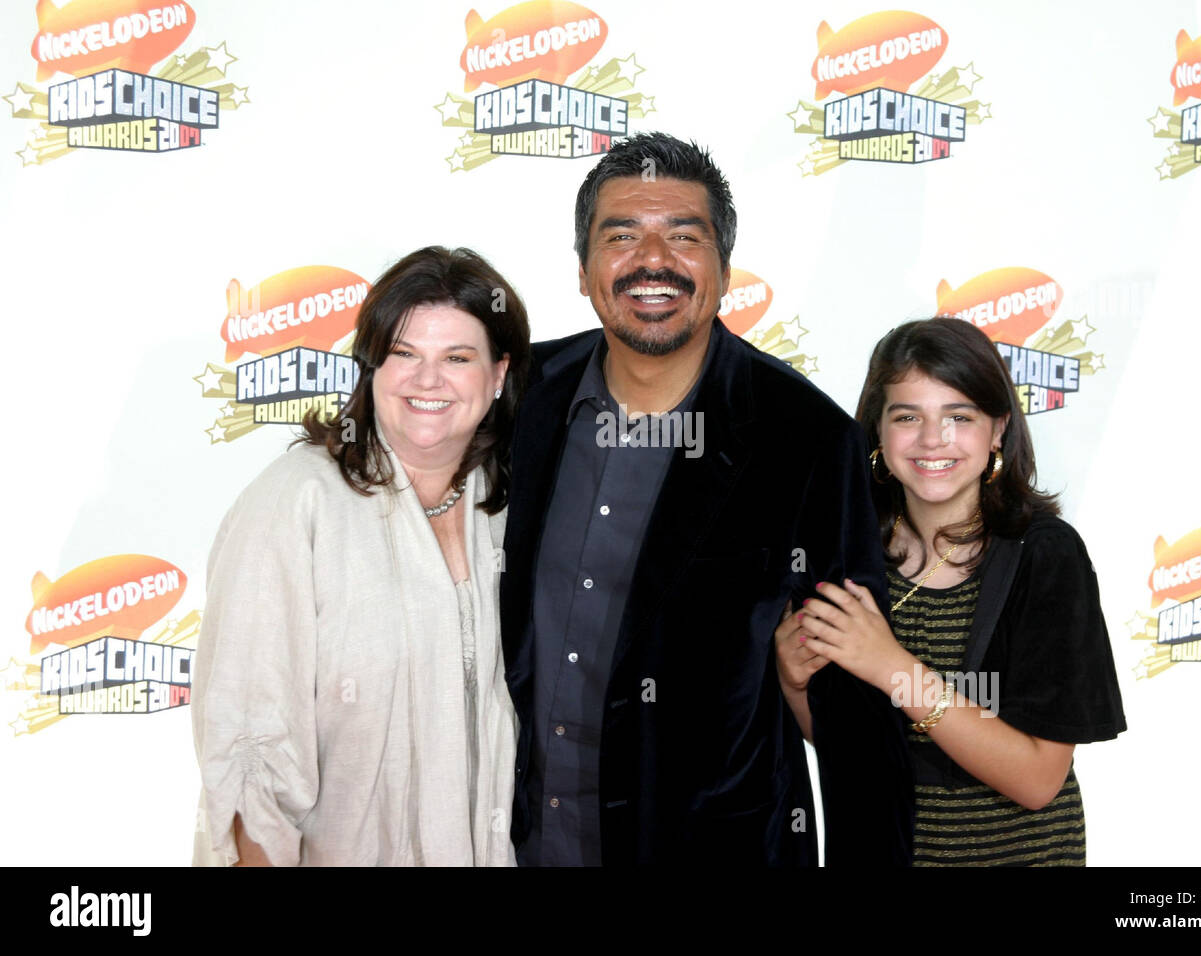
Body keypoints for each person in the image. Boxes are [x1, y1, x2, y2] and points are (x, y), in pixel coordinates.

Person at [501, 132, 913, 866]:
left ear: (723, 272)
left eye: (683, 237)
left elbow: (854, 709)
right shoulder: (518, 397)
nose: (652, 260)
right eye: (621, 235)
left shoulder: (806, 437)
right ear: (583, 269)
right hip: (518, 845)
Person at [191, 246, 530, 866]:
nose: (428, 380)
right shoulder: (296, 503)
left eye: (457, 357)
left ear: (499, 374)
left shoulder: (514, 509)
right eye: (404, 354)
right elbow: (250, 755)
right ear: (371, 366)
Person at [781, 316, 1126, 865]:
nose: (932, 440)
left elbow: (1038, 780)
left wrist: (891, 667)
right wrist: (794, 681)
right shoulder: (847, 552)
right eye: (907, 416)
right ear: (877, 431)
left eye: (959, 416)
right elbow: (849, 746)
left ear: (997, 430)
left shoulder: (1045, 555)